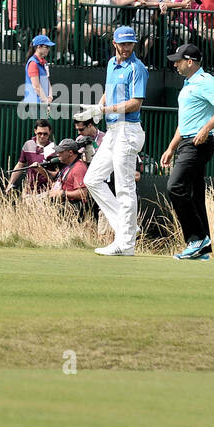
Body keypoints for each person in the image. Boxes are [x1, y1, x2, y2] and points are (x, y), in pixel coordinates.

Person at [77, 26, 148, 256]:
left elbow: (135, 103)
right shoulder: (110, 63)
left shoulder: (138, 68)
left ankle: (126, 245)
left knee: (125, 188)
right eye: (123, 44)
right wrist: (98, 108)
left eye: (130, 44)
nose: (127, 48)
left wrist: (106, 108)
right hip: (113, 131)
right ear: (114, 43)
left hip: (128, 130)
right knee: (93, 179)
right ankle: (127, 227)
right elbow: (109, 91)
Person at [159, 43, 214, 260]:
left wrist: (207, 129)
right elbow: (185, 121)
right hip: (186, 143)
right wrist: (171, 147)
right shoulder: (188, 84)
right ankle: (202, 247)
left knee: (176, 187)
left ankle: (196, 239)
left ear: (190, 62)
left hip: (198, 143)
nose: (176, 65)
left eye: (178, 61)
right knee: (195, 195)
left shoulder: (205, 81)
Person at [21, 34, 54, 115]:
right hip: (34, 105)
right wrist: (46, 101)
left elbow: (47, 80)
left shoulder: (44, 62)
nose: (48, 49)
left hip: (43, 104)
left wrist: (50, 96)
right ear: (38, 47)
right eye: (46, 47)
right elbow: (36, 86)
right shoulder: (33, 63)